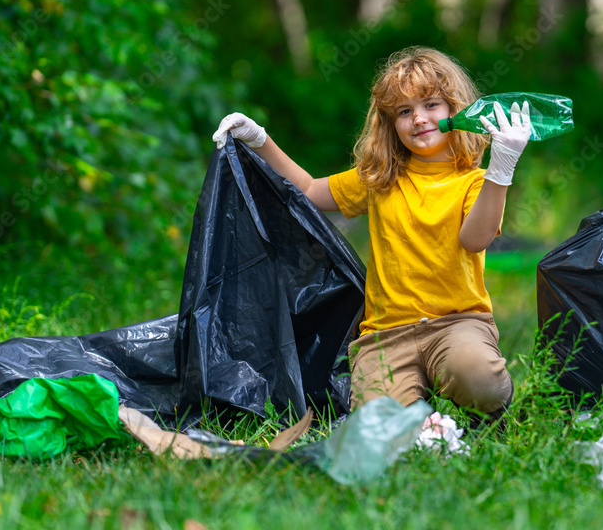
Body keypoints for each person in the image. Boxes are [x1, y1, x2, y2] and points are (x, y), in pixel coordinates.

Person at [211, 46, 532, 418]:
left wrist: (501, 170)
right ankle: (424, 419)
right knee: (378, 426)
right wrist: (259, 139)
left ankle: (482, 402)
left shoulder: (475, 182)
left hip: (457, 323)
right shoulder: (382, 179)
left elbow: (474, 240)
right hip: (387, 334)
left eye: (431, 105)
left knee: (480, 382)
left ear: (455, 111)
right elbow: (312, 191)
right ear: (390, 124)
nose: (419, 119)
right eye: (404, 111)